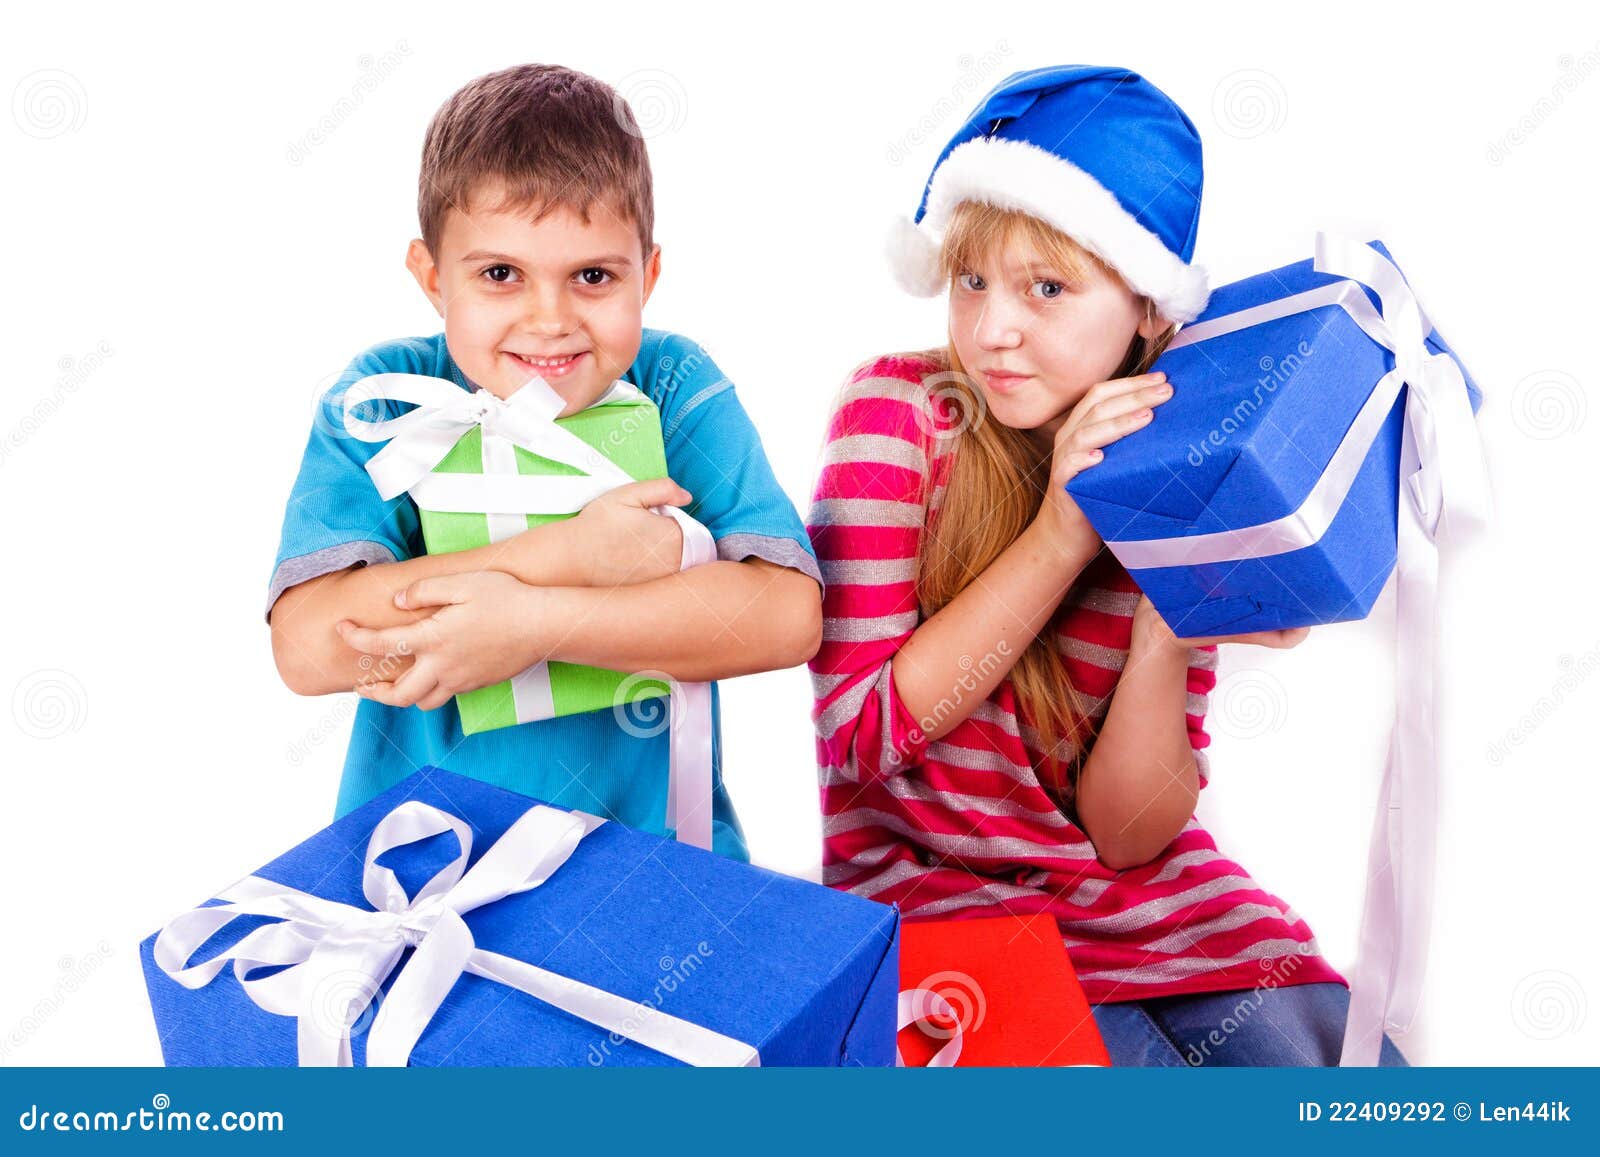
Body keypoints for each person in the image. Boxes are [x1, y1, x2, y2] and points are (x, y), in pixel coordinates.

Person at [806, 65, 1407, 1065]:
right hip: (941, 911)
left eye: (1046, 287)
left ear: (1145, 312)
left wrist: (1169, 628)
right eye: (972, 280)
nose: (994, 328)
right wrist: (1059, 534)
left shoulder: (1174, 464)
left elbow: (1132, 836)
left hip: (1162, 912)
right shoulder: (897, 415)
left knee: (1356, 1088)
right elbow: (856, 737)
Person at [267, 63, 822, 861]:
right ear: (432, 278)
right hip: (431, 876)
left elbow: (785, 614)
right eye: (500, 275)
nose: (550, 320)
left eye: (592, 276)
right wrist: (563, 557)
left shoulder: (671, 384)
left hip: (657, 864)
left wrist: (536, 624)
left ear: (648, 274)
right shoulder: (384, 397)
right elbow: (308, 642)